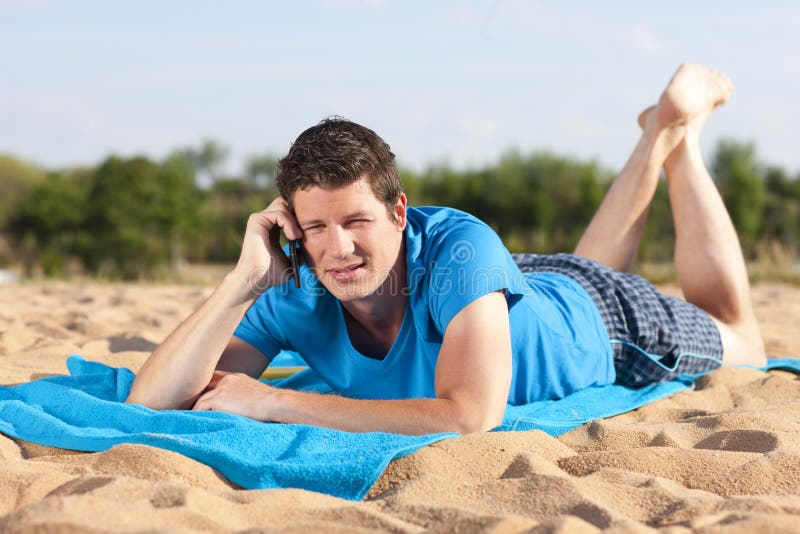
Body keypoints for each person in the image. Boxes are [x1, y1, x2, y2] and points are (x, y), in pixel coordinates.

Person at [126, 64, 766, 435]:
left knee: (743, 339)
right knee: (586, 262)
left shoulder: (461, 246)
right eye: (315, 227)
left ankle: (685, 141)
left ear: (399, 212)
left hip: (607, 323)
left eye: (357, 221)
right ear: (292, 224)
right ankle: (657, 130)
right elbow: (150, 404)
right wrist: (241, 283)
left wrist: (272, 400)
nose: (338, 248)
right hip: (518, 289)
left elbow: (468, 418)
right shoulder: (295, 282)